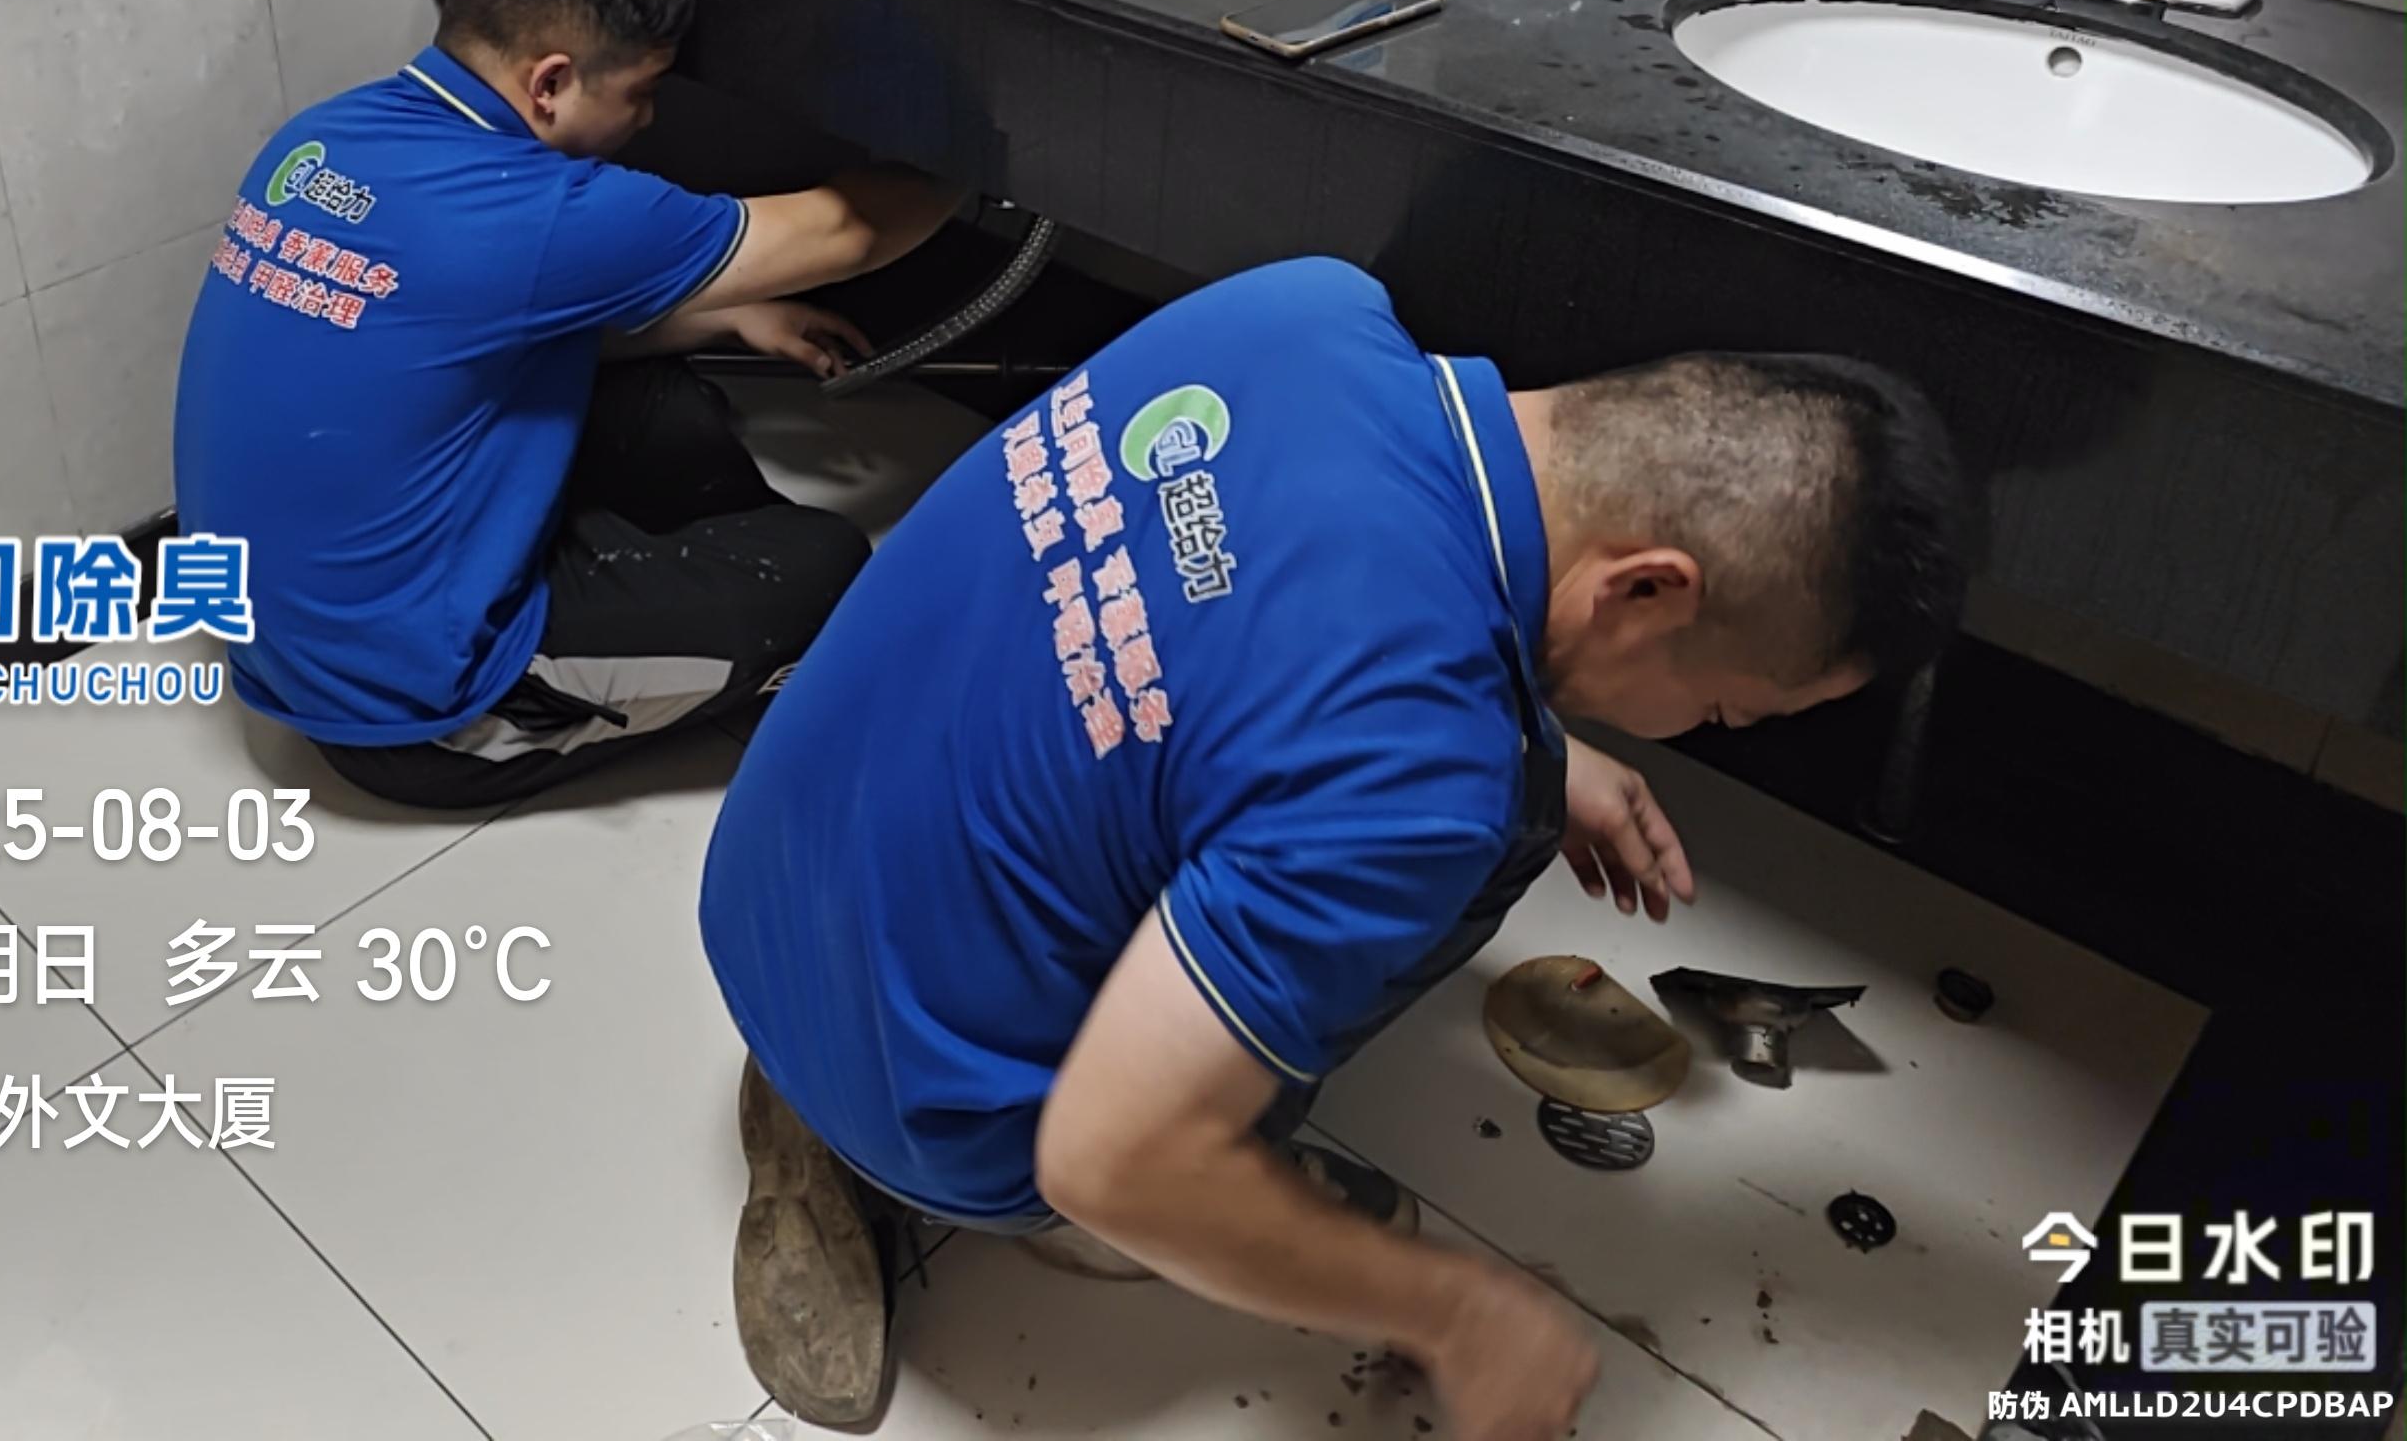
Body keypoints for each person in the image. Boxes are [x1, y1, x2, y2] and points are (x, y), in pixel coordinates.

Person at [698, 256, 1967, 1438]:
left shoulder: (1309, 306)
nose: (1701, 729)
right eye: (1726, 709)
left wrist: (1523, 737)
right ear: (1647, 590)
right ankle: (1174, 1175)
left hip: (761, 885)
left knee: (1500, 769)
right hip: (944, 1113)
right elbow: (1105, 1160)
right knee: (1494, 814)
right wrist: (1458, 1314)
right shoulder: (1421, 782)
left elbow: (1251, 613)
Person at [174, 0, 958, 809]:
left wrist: (730, 316)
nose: (648, 120)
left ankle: (657, 575)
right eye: (641, 92)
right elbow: (850, 230)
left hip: (305, 636)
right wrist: (1005, 147)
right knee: (820, 572)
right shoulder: (538, 212)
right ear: (549, 84)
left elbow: (462, 336)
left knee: (663, 405)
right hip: (420, 713)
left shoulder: (322, 139)